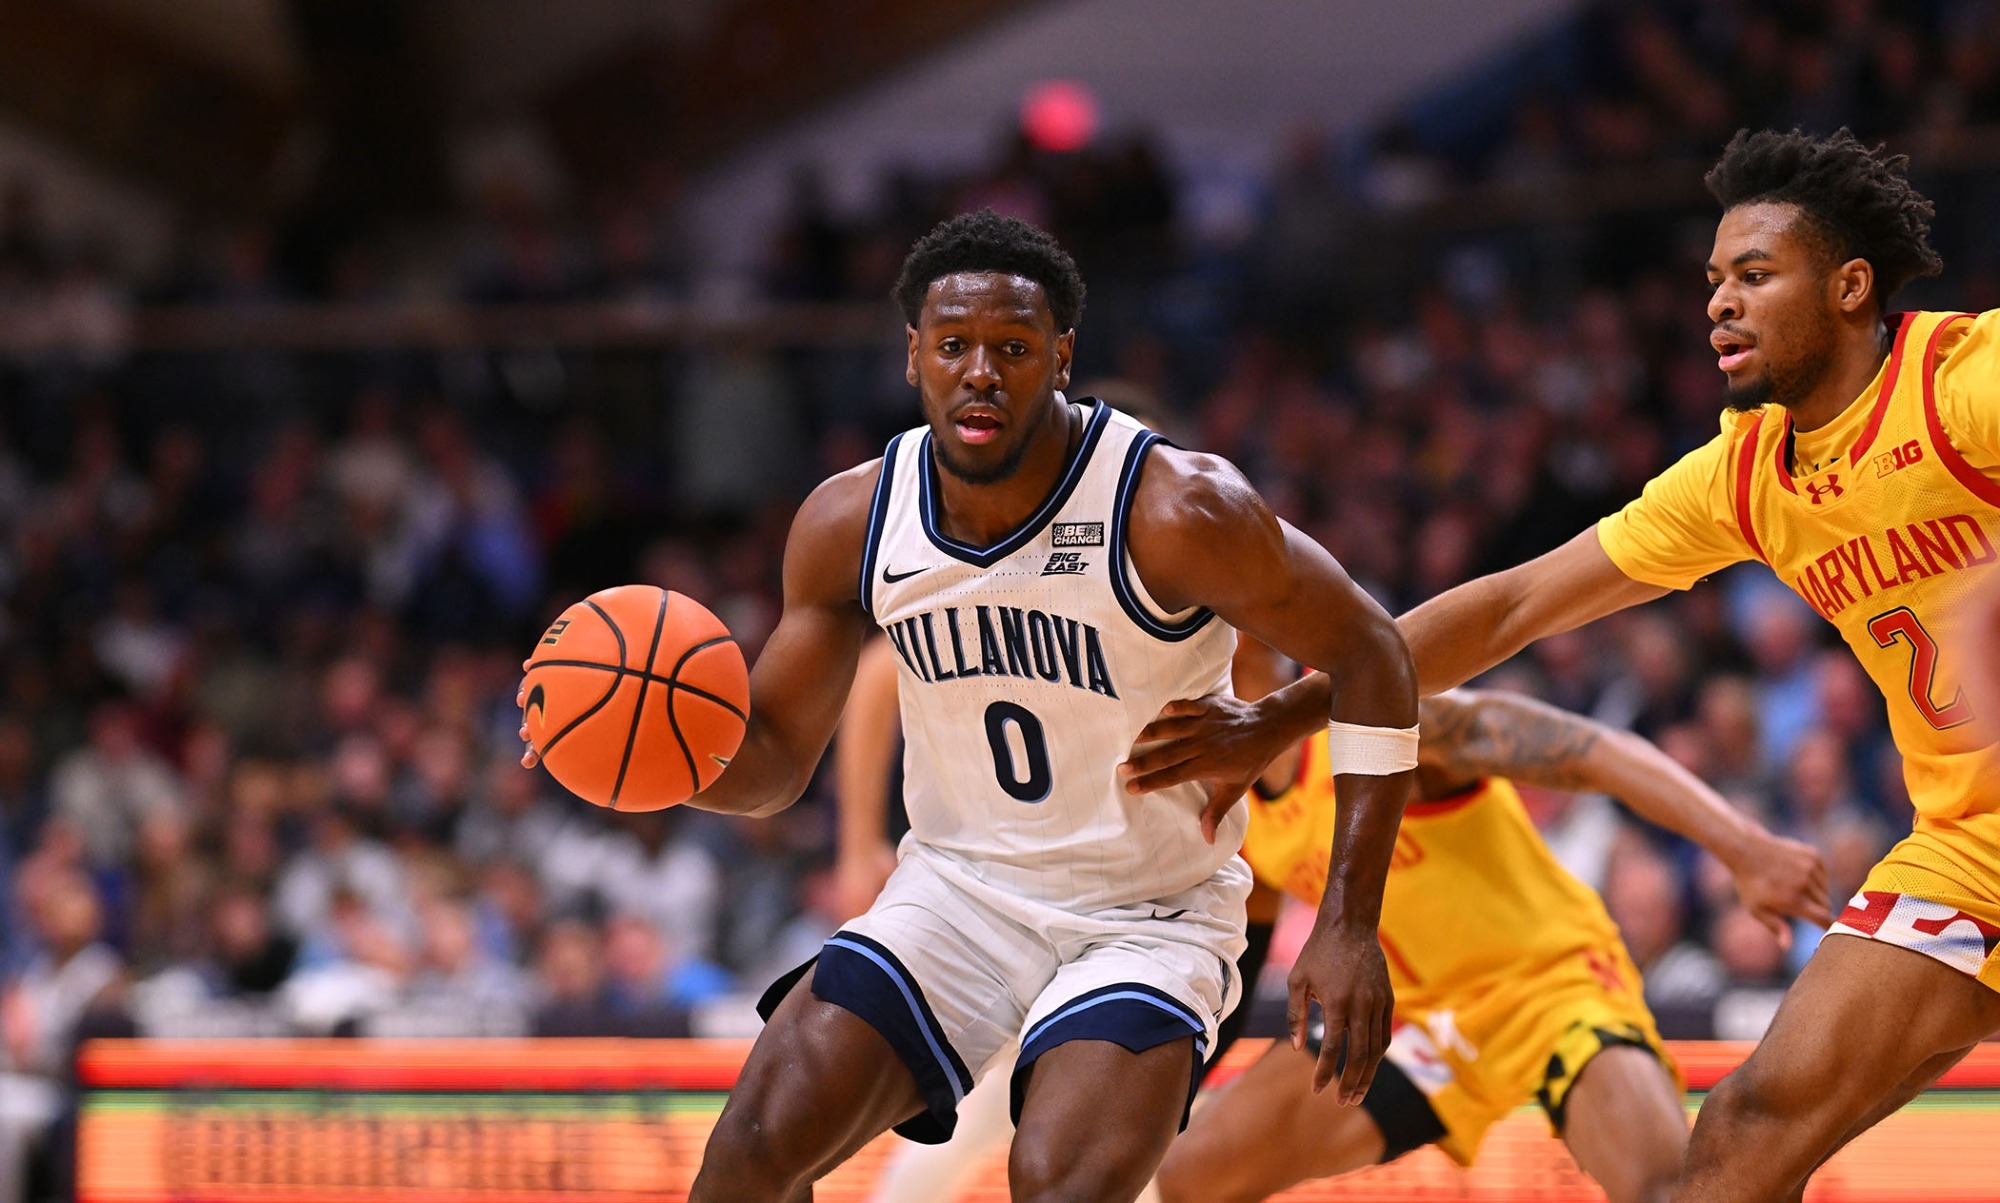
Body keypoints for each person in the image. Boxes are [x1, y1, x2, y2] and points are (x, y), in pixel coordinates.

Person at [1119, 128, 2000, 1202]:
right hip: (1968, 847)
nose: (1718, 302)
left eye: (1754, 277)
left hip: (1555, 987)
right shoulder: (1743, 473)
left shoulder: (1963, 386)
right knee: (1738, 1134)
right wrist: (1282, 718)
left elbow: (1580, 743)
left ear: (1851, 286)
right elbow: (1510, 606)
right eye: (1712, 281)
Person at [522, 209, 1418, 1203]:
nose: (980, 372)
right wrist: (642, 760)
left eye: (1012, 348)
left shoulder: (1175, 509)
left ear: (1060, 358)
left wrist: (1345, 923)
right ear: (913, 356)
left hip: (1144, 914)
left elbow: (1373, 652)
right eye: (952, 346)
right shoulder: (849, 520)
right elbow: (771, 762)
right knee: (750, 1151)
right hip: (955, 896)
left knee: (1056, 1184)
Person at [1151, 639, 1828, 1203]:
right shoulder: (1232, 798)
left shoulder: (1381, 718)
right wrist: (1182, 1085)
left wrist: (1744, 845)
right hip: (1407, 1012)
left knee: (1666, 1189)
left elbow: (1590, 747)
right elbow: (1245, 952)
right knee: (1185, 1178)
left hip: (1551, 985)